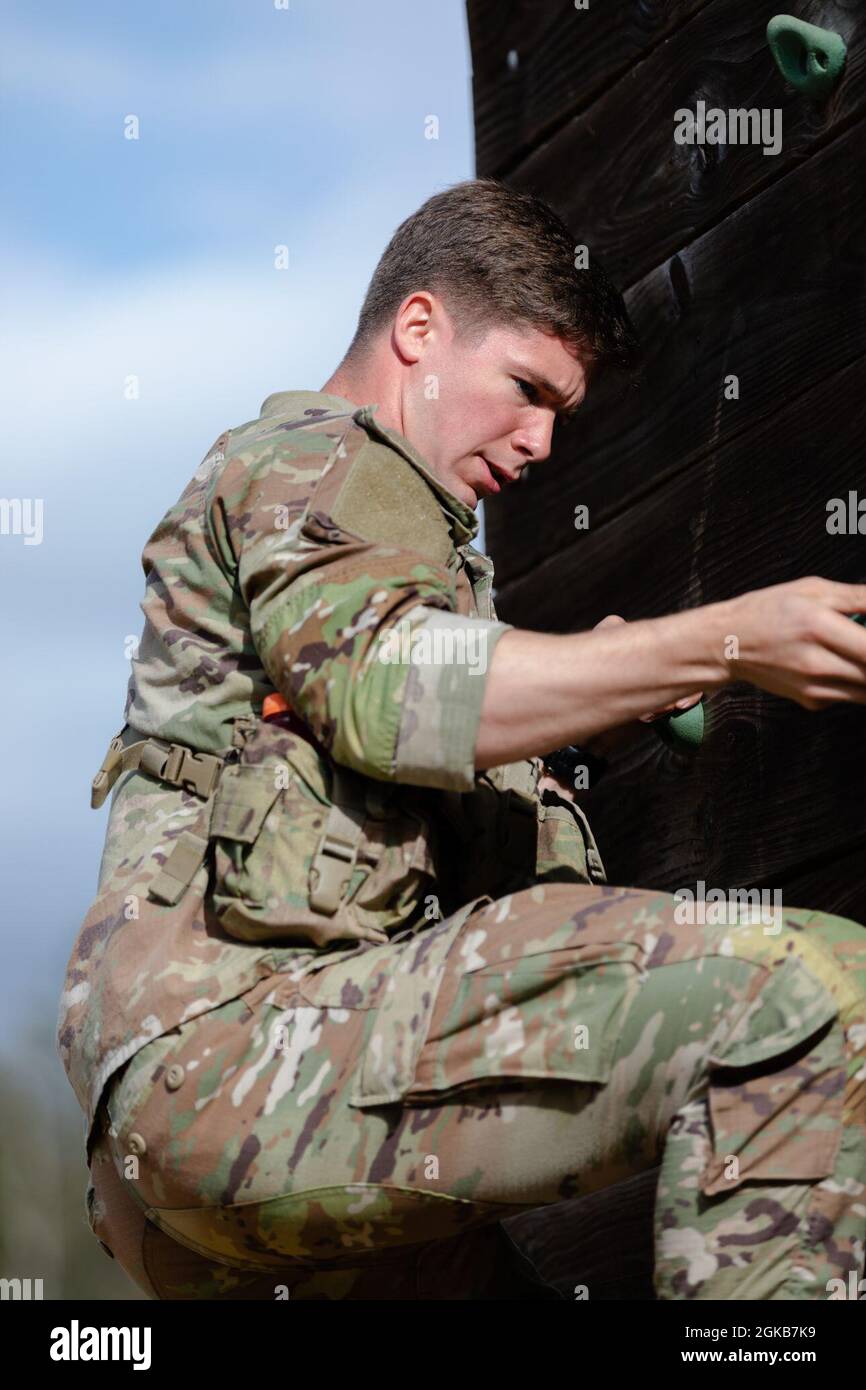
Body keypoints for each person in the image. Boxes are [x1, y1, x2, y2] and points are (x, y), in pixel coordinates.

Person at [58, 177, 866, 1301]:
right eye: (527, 389)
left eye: (561, 415)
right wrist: (725, 639)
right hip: (239, 1063)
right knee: (807, 993)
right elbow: (383, 686)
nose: (540, 444)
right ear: (419, 328)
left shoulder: (401, 549)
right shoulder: (316, 458)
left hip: (221, 1157)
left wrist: (581, 700)